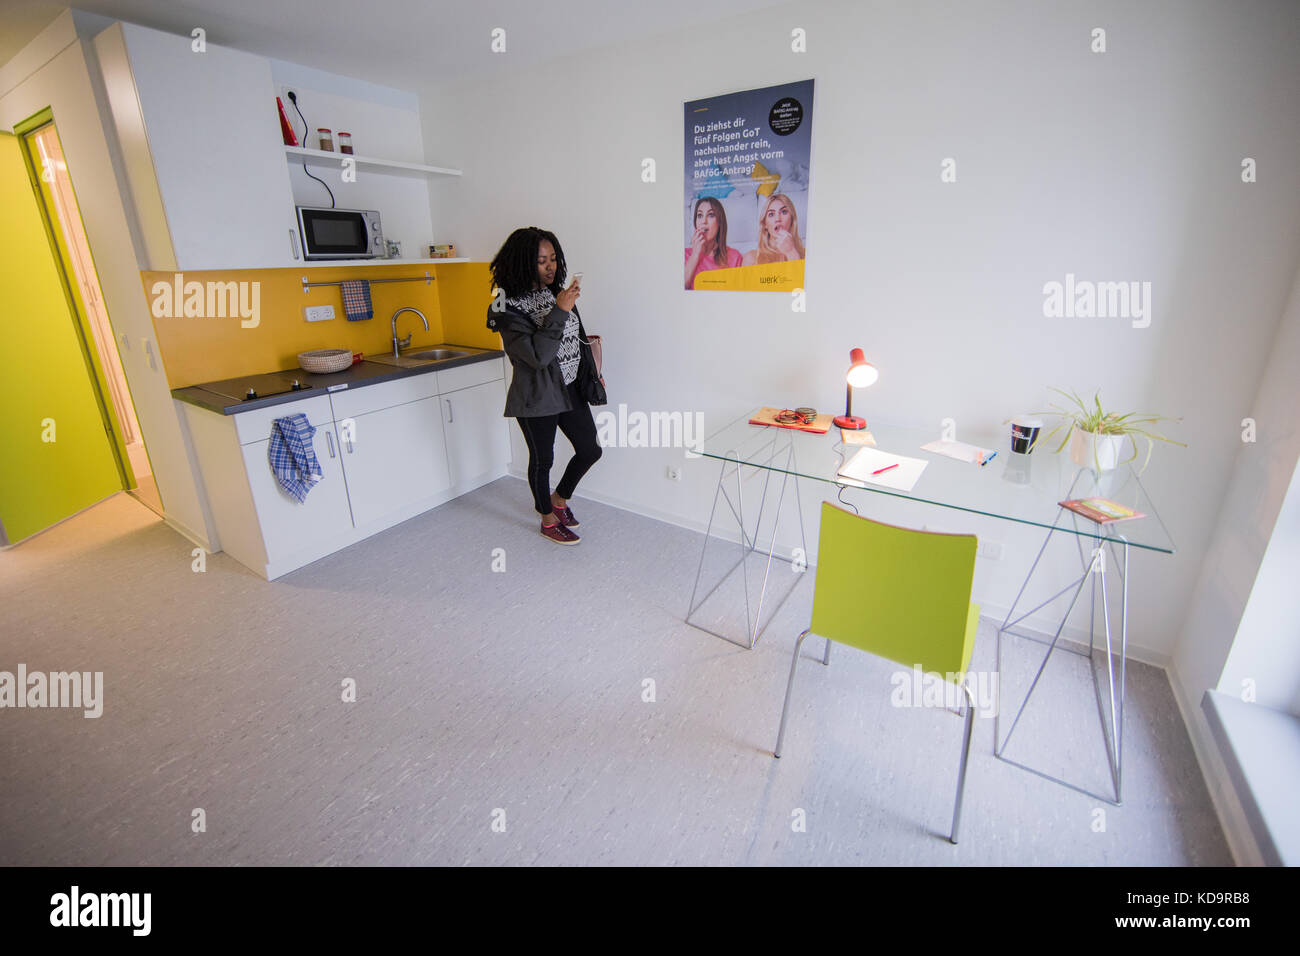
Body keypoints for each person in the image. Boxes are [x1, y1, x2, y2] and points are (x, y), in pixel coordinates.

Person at [486, 226, 603, 545]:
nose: (550, 266)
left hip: (569, 387)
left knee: (590, 449)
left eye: (553, 258)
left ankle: (559, 499)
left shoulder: (556, 292)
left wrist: (591, 373)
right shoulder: (503, 305)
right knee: (542, 460)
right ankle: (547, 518)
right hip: (537, 395)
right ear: (523, 262)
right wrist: (560, 310)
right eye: (541, 261)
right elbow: (537, 356)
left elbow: (575, 337)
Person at [684, 197, 743, 289]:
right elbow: (678, 290)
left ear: (719, 222)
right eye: (699, 215)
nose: (703, 221)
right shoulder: (685, 255)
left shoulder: (735, 257)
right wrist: (695, 255)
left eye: (711, 215)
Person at [741, 193, 806, 265]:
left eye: (784, 212)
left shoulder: (806, 254)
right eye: (771, 214)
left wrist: (791, 252)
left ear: (792, 219)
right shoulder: (752, 258)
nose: (778, 219)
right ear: (765, 224)